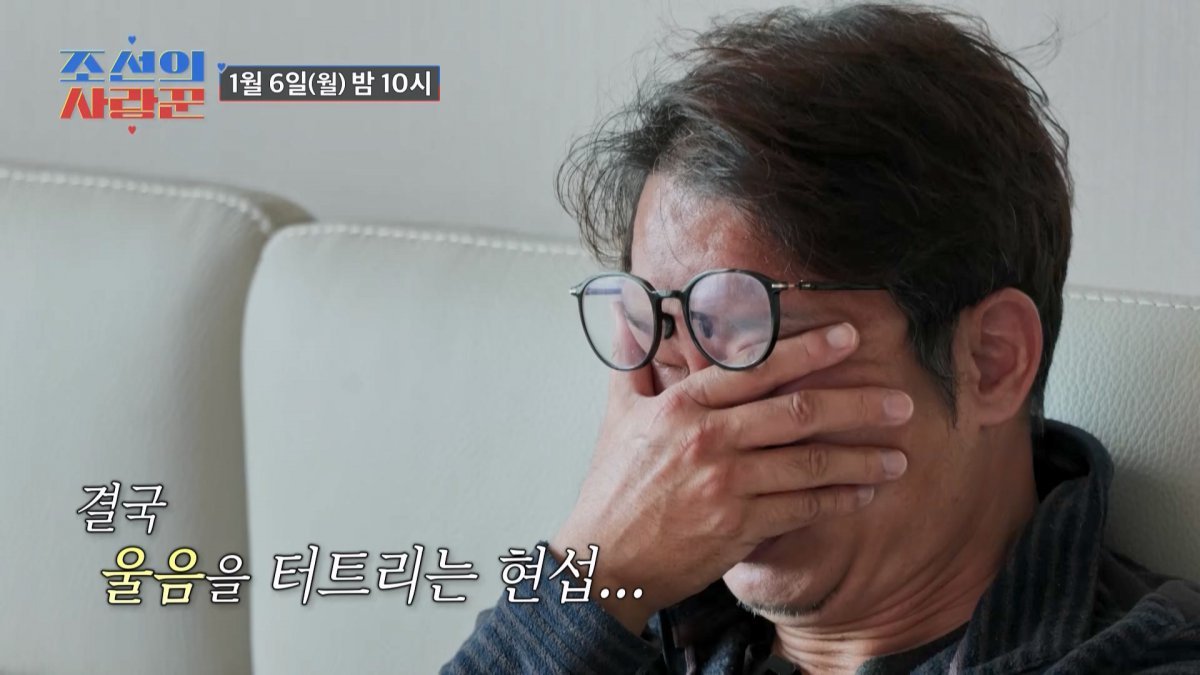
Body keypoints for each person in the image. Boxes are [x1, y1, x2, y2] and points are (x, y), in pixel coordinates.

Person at [443, 3, 1200, 673]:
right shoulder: (620, 623)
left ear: (991, 360)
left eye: (746, 327)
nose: (684, 425)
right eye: (658, 326)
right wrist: (590, 582)